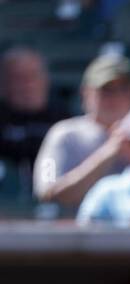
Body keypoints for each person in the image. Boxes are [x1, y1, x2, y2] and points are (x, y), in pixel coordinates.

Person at [32, 53, 130, 211]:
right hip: (75, 233)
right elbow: (46, 190)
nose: (115, 97)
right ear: (86, 92)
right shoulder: (62, 134)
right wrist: (109, 151)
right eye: (106, 89)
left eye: (123, 89)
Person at [0, 48, 66, 187]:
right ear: (3, 84)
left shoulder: (63, 119)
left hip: (54, 192)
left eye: (33, 76)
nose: (28, 85)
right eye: (18, 78)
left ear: (45, 80)